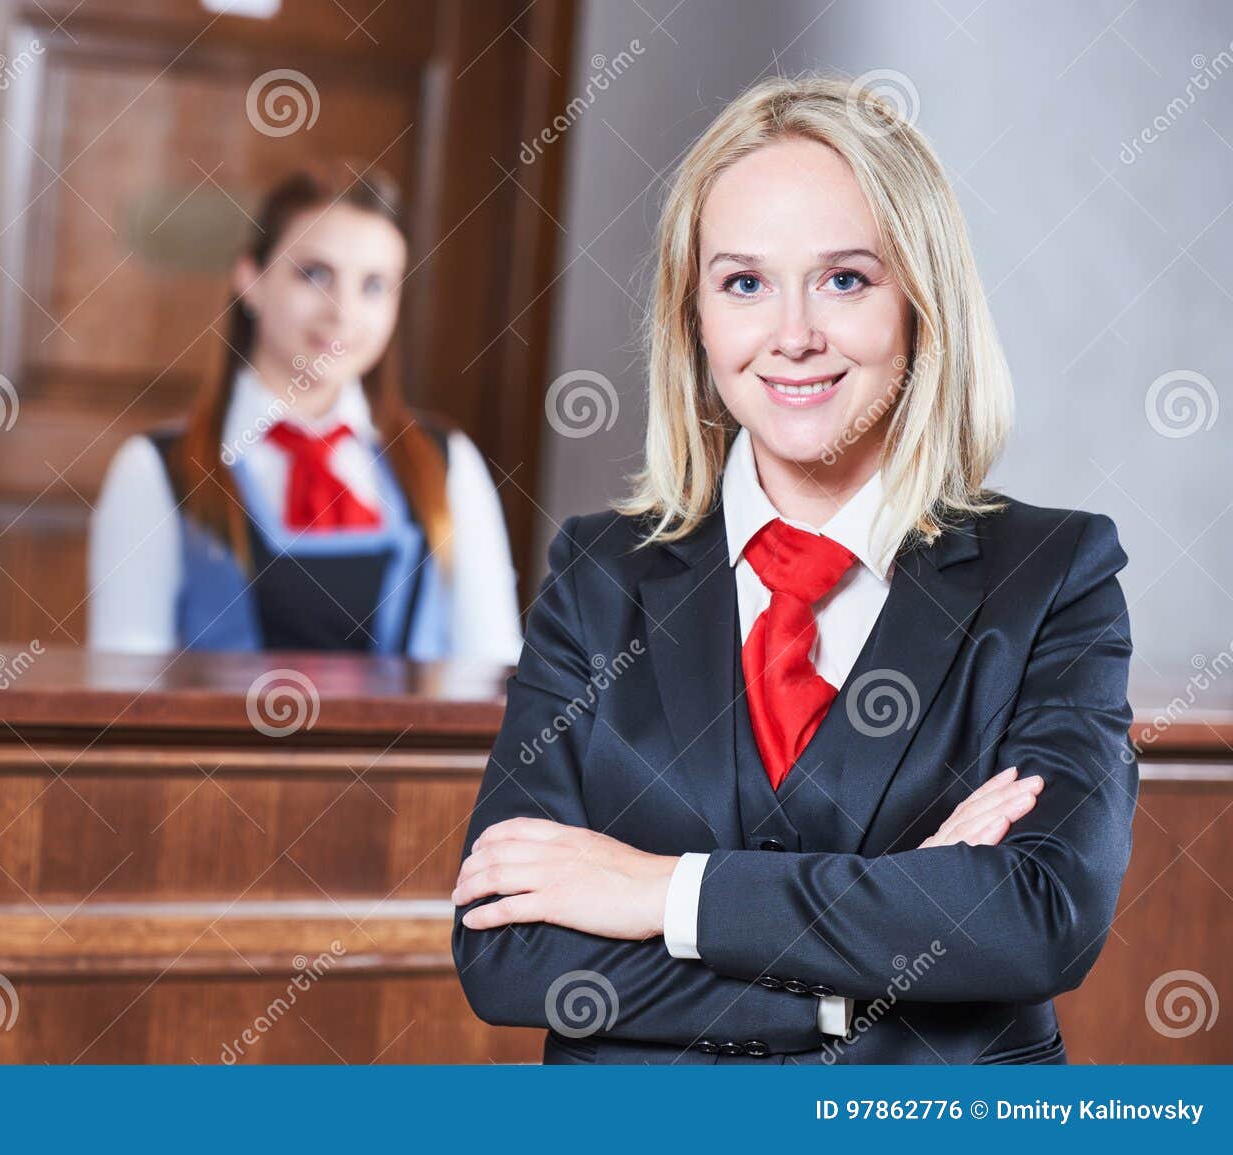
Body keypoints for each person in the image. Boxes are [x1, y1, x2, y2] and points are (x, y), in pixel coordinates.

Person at [451, 74, 1135, 1064]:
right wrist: (882, 955)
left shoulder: (1052, 574)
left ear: (921, 303)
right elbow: (506, 950)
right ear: (693, 316)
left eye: (845, 279)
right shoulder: (598, 575)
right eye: (744, 283)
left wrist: (663, 891)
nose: (794, 335)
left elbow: (1038, 916)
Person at [87, 162, 522, 662]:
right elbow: (125, 687)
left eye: (374, 286)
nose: (342, 312)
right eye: (315, 275)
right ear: (250, 279)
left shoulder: (447, 462)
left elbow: (494, 668)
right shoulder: (154, 470)